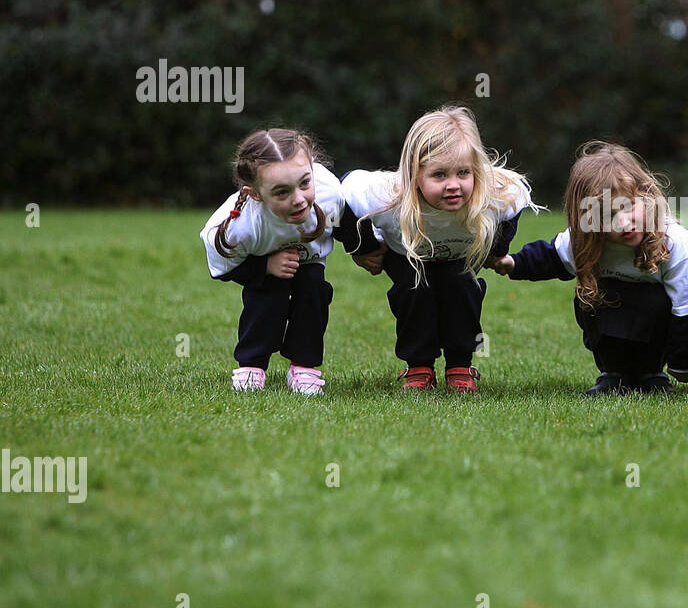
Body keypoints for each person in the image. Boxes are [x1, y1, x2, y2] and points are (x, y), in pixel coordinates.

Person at [341, 106, 535, 393]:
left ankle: (460, 363)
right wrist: (363, 248)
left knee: (462, 287)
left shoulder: (494, 193)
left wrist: (496, 250)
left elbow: (516, 200)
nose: (453, 185)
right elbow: (343, 196)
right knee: (414, 289)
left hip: (460, 253)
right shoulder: (387, 195)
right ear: (414, 174)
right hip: (408, 252)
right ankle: (419, 365)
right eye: (439, 175)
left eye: (463, 173)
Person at [490, 141, 688, 395]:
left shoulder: (672, 241)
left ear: (647, 196)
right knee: (590, 296)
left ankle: (651, 373)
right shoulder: (587, 239)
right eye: (607, 215)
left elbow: (687, 305)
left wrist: (682, 361)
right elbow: (551, 257)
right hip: (610, 312)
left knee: (656, 302)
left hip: (658, 322)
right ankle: (613, 372)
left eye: (629, 206)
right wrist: (514, 263)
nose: (623, 223)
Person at [201, 129, 342, 395]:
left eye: (304, 183)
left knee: (314, 289)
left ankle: (304, 367)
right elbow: (223, 267)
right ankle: (252, 365)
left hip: (310, 262)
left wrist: (367, 250)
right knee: (267, 294)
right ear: (255, 194)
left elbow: (345, 222)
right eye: (281, 193)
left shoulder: (328, 192)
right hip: (262, 266)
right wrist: (264, 266)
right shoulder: (239, 227)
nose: (298, 199)